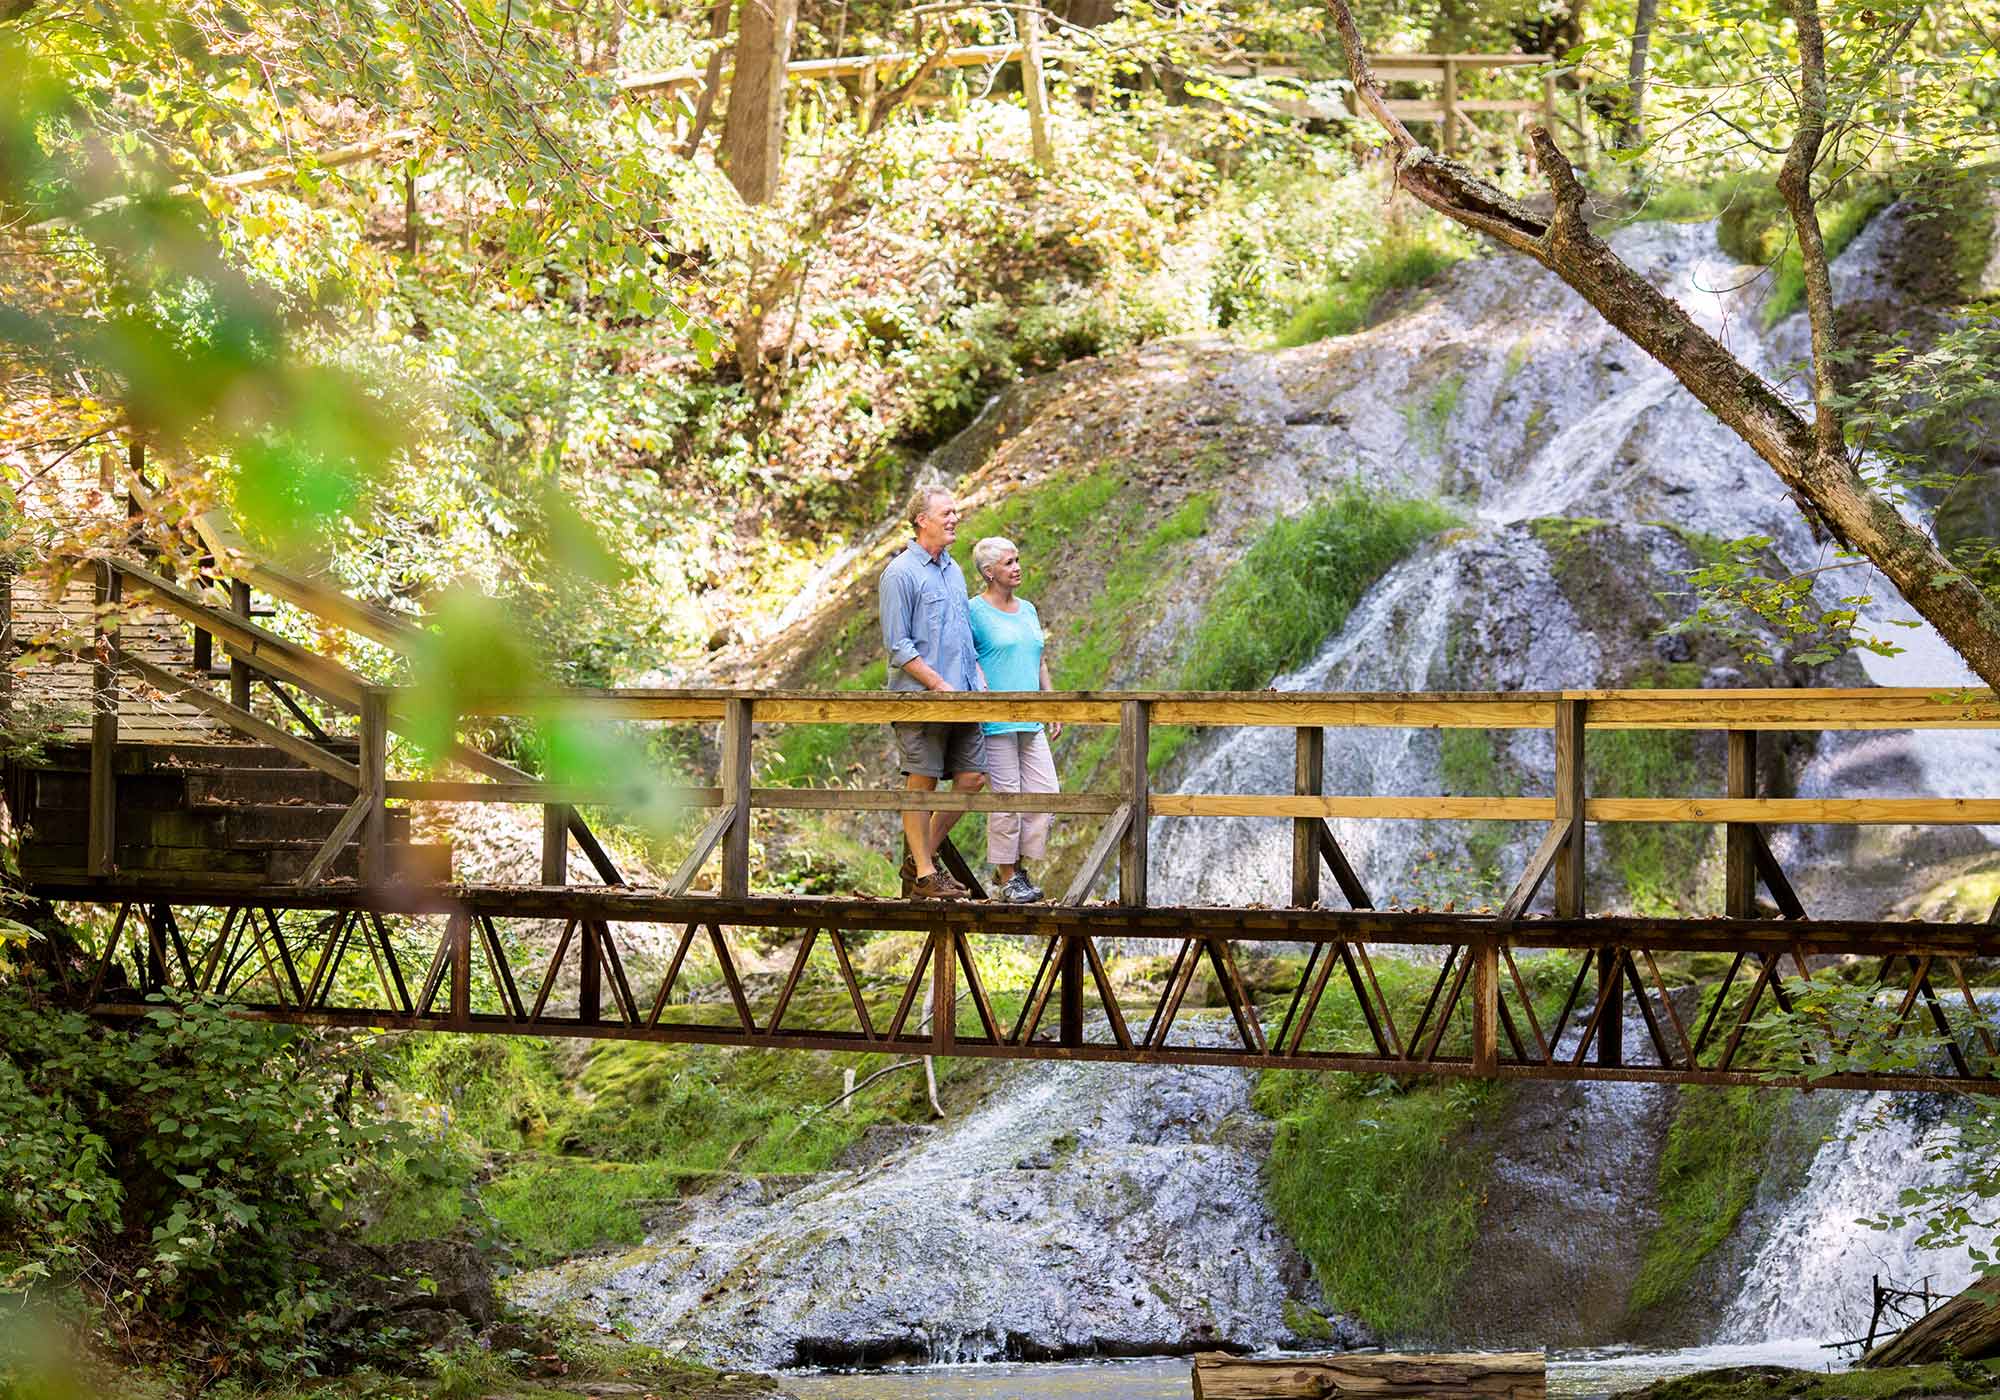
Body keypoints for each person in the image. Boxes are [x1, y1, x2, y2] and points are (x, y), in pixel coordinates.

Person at [879, 485, 988, 900]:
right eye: (946, 512)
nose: (954, 518)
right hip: (922, 699)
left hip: (962, 698)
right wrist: (937, 685)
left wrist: (974, 673)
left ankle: (920, 855)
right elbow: (898, 645)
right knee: (921, 781)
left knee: (973, 778)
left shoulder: (954, 570)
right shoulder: (900, 573)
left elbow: (961, 634)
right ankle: (925, 874)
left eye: (956, 511)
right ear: (922, 519)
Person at [967, 535, 1062, 905]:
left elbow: (1039, 659)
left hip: (1031, 719)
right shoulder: (974, 611)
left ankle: (1012, 866)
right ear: (989, 572)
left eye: (1017, 559)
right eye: (1008, 563)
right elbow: (963, 652)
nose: (1017, 567)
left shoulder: (1028, 610)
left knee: (1045, 794)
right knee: (1006, 799)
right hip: (994, 720)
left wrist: (1052, 704)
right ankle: (1009, 877)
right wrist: (977, 673)